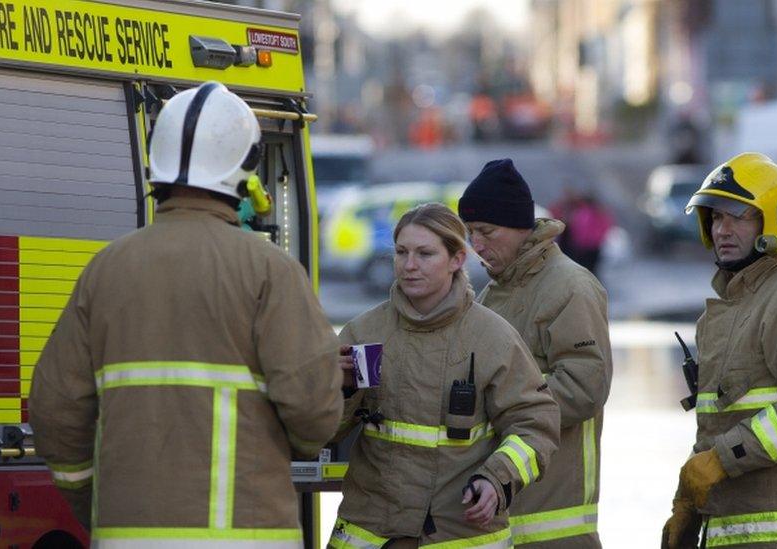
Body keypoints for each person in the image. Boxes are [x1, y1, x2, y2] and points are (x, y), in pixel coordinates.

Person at [29, 82, 343, 547]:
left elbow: (55, 410)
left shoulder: (105, 269)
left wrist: (95, 501)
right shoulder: (270, 270)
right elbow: (315, 414)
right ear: (244, 174)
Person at [329, 203, 560, 548]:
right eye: (401, 252)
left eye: (425, 254)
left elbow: (535, 424)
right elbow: (321, 434)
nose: (409, 266)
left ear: (456, 260)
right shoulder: (364, 333)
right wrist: (339, 391)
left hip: (460, 533)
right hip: (371, 532)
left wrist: (496, 480)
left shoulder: (491, 337)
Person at [662, 152, 777, 548]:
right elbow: (715, 424)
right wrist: (688, 502)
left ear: (771, 220)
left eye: (737, 216)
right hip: (730, 534)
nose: (723, 229)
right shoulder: (718, 315)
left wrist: (722, 460)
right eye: (715, 217)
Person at [459, 159, 613, 548]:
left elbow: (585, 387)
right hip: (501, 513)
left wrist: (499, 398)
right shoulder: (492, 293)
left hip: (554, 522)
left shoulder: (570, 287)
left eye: (486, 231)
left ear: (518, 226)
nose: (476, 245)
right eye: (471, 232)